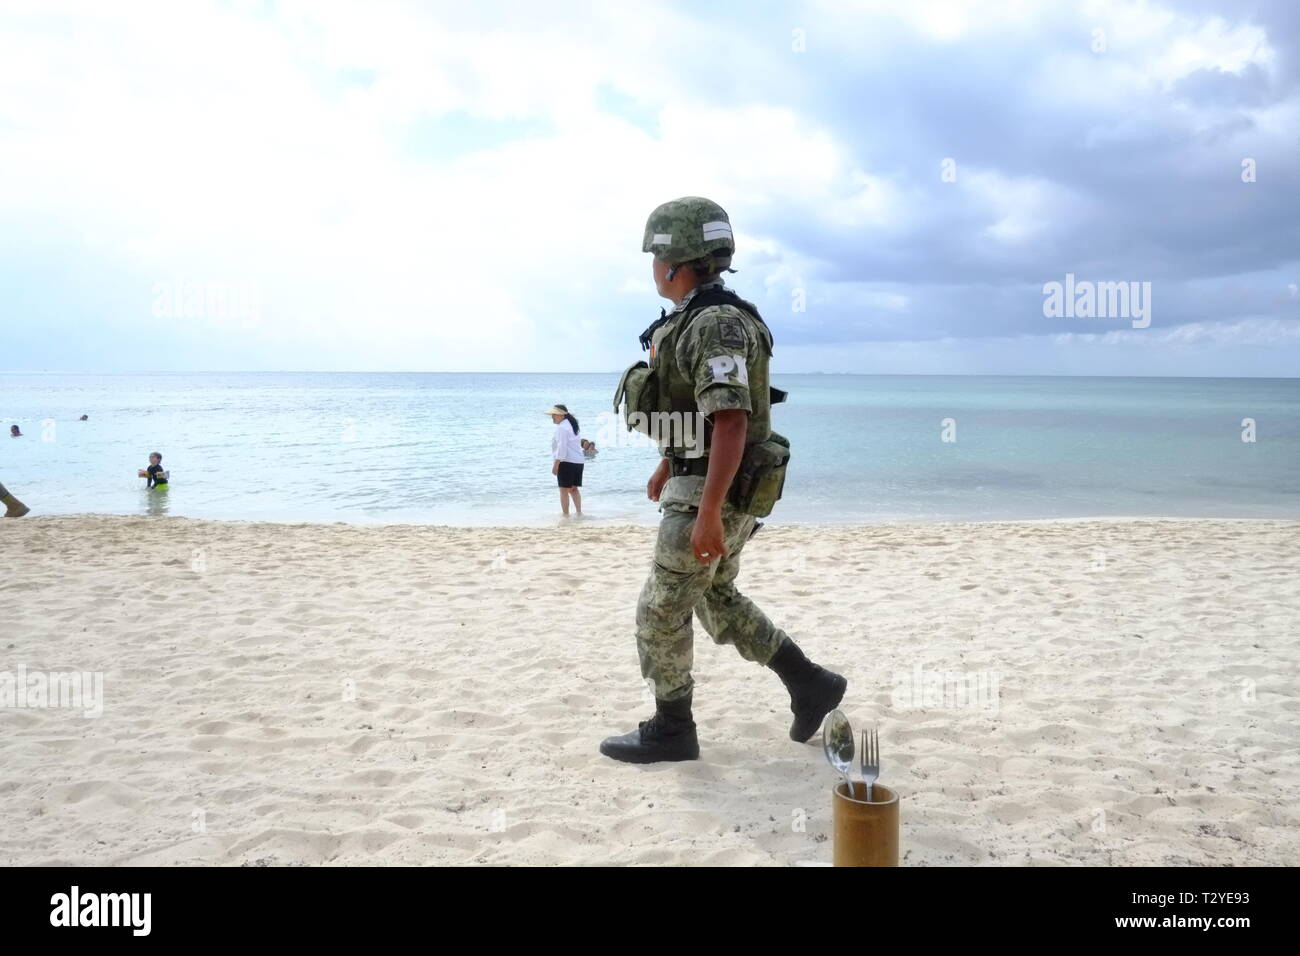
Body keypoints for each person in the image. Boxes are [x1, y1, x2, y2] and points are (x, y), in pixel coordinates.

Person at [599, 197, 846, 764]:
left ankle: (671, 730)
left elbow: (732, 419)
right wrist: (670, 460)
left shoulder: (714, 323)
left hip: (714, 493)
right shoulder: (698, 317)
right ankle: (809, 683)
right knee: (715, 599)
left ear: (673, 260)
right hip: (709, 483)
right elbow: (703, 413)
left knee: (660, 608)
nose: (651, 267)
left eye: (655, 255)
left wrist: (708, 510)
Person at [547, 405, 585, 516]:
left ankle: (566, 515)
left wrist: (556, 464)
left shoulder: (562, 428)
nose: (552, 417)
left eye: (554, 414)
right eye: (552, 414)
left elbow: (562, 447)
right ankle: (579, 513)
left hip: (566, 462)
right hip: (578, 462)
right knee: (574, 489)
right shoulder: (572, 425)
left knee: (564, 491)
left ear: (562, 415)